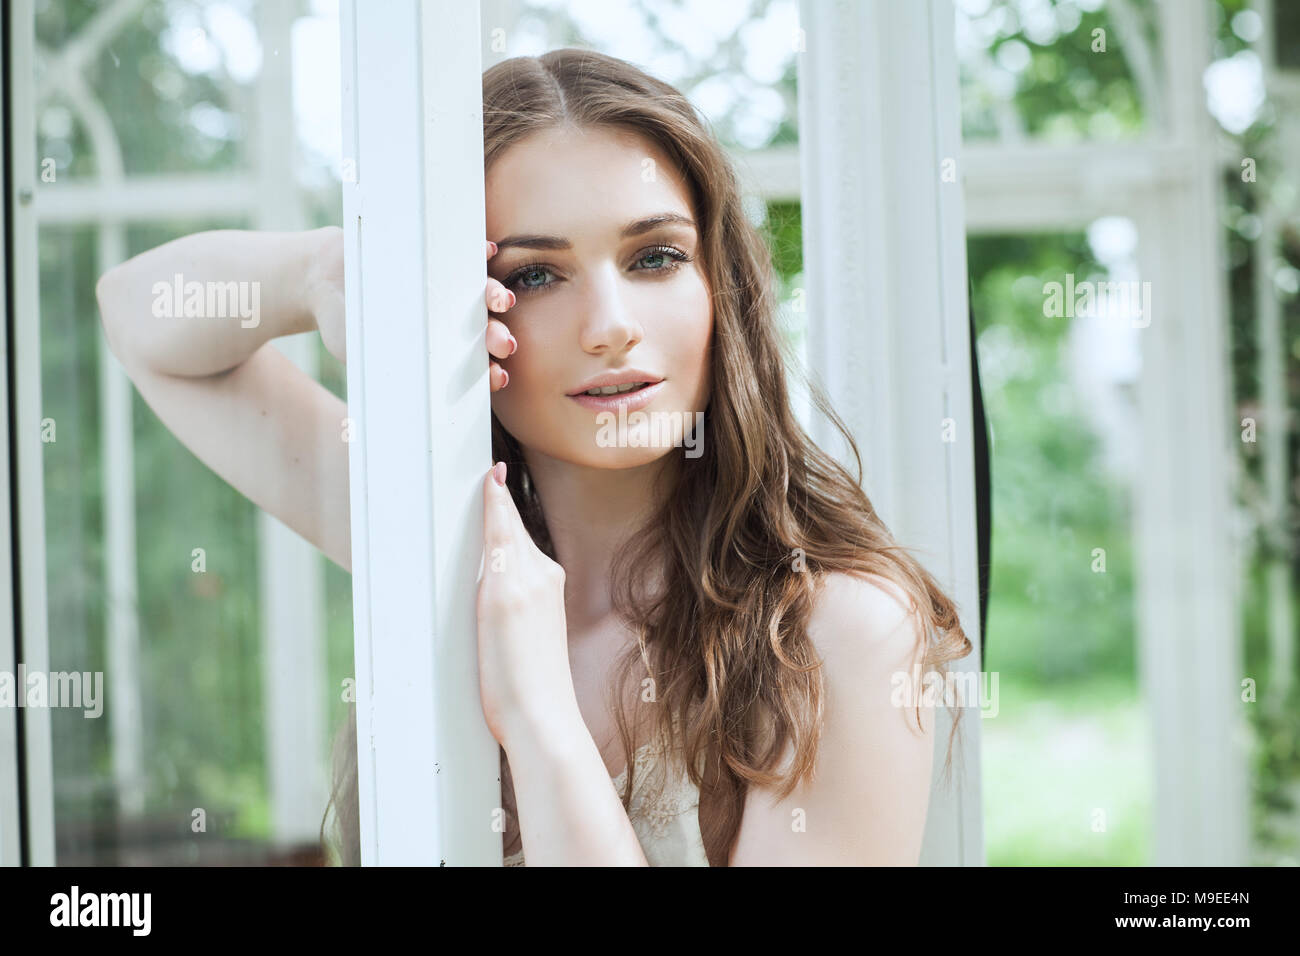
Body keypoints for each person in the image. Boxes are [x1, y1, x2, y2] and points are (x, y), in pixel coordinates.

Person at [96, 47, 973, 867]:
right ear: (469, 305)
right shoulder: (448, 551)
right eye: (534, 276)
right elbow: (137, 315)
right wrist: (333, 269)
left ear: (722, 287)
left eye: (656, 257)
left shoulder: (835, 630)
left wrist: (541, 717)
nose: (611, 325)